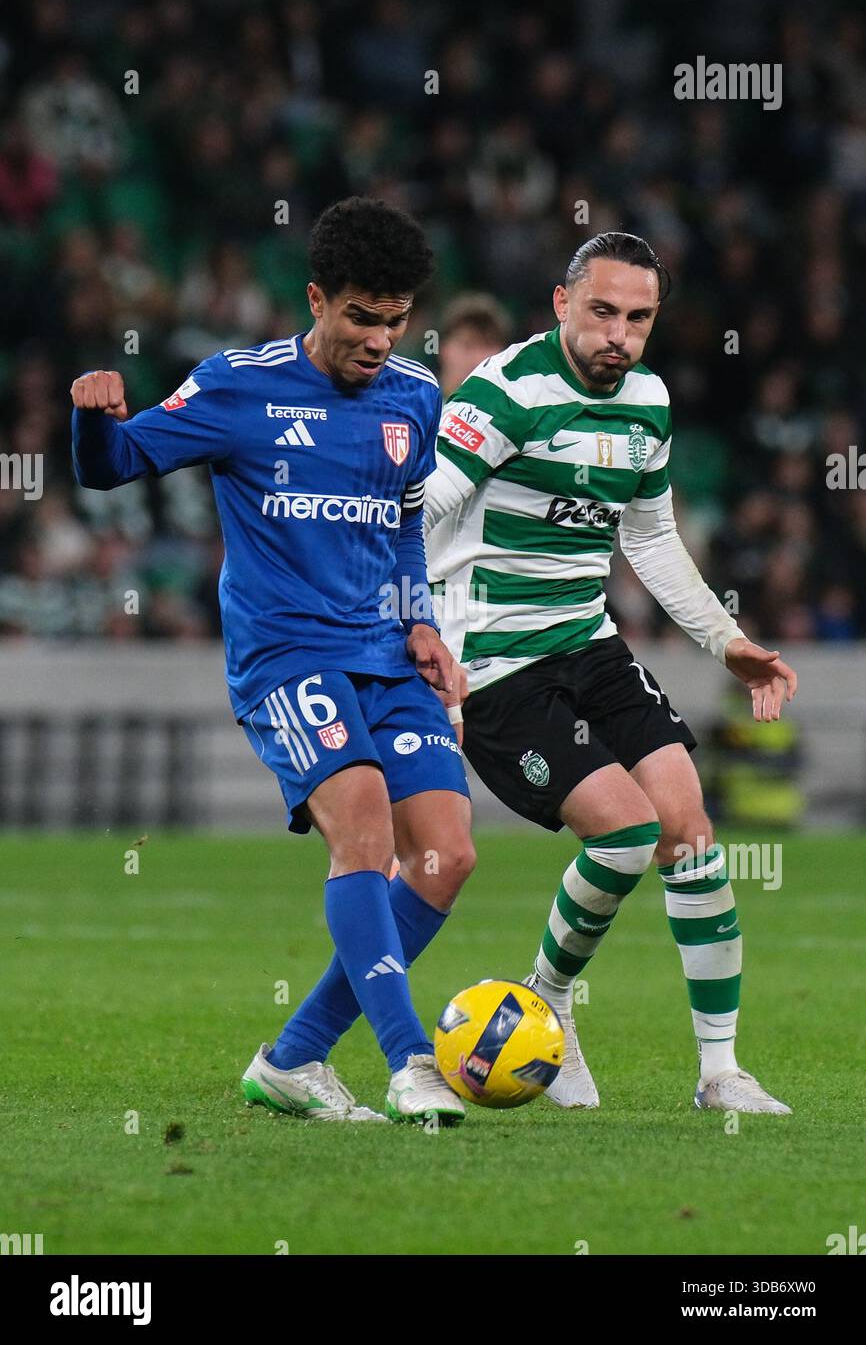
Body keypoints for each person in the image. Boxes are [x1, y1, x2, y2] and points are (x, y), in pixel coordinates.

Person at [71, 196, 475, 1125]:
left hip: (388, 654)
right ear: (317, 299)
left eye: (396, 318)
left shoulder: (416, 398)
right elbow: (112, 466)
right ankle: (412, 1059)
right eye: (361, 316)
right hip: (289, 657)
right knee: (365, 832)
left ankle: (292, 1060)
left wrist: (421, 621)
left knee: (446, 858)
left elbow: (404, 519)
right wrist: (96, 419)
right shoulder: (237, 388)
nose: (379, 338)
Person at [424, 231, 798, 1115]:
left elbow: (650, 536)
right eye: (601, 313)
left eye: (637, 319)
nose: (617, 336)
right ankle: (548, 999)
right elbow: (423, 507)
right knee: (624, 834)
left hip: (587, 645)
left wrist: (725, 639)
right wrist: (417, 636)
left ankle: (720, 1073)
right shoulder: (506, 393)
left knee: (689, 831)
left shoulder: (648, 404)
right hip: (497, 661)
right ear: (562, 305)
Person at [438, 292, 511, 397]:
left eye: (487, 346)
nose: (477, 358)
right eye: (467, 345)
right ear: (444, 350)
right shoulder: (418, 408)